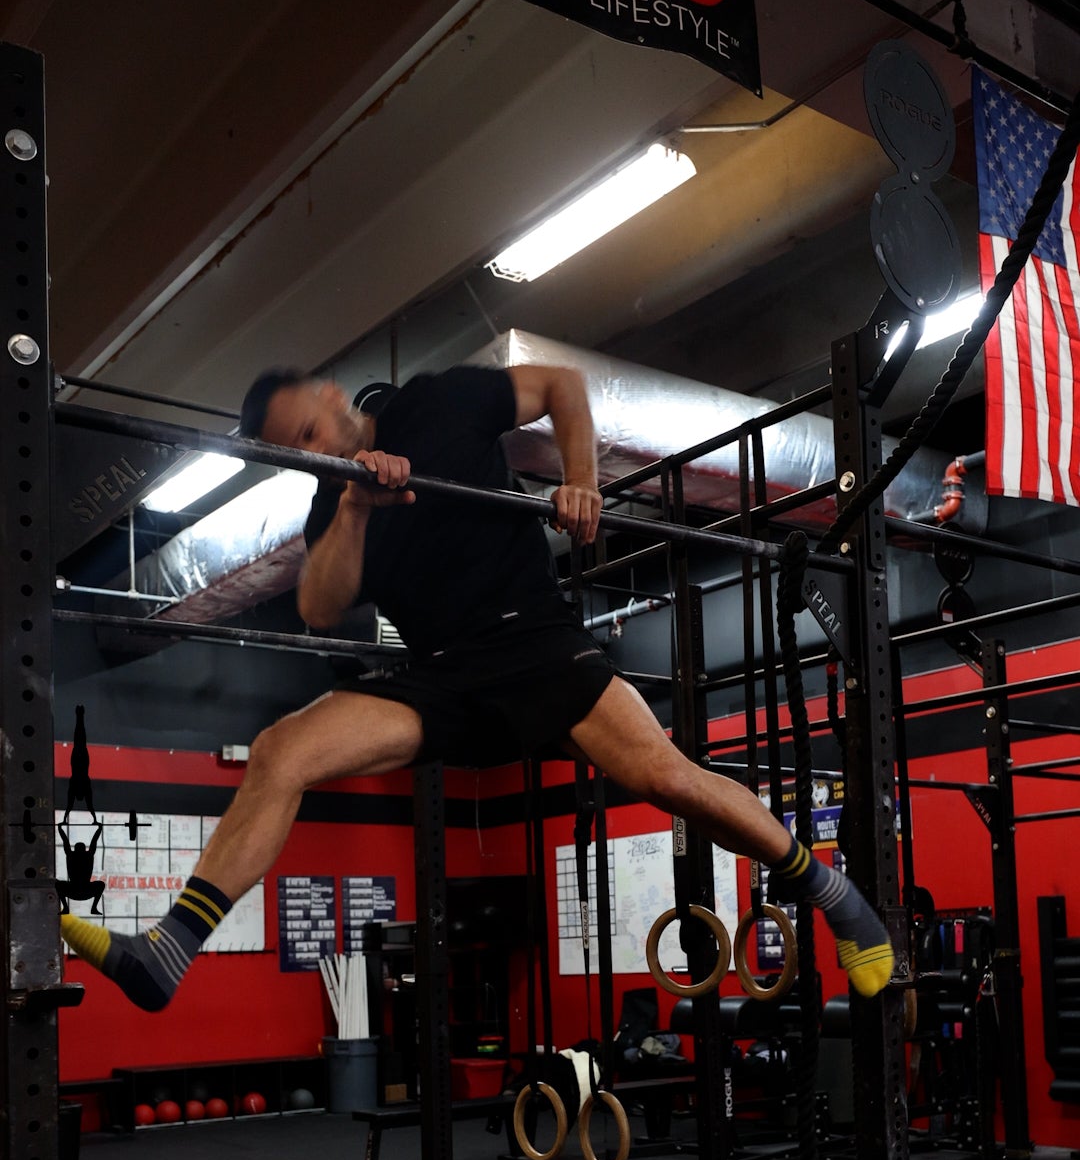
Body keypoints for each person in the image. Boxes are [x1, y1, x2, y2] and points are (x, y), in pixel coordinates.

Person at [62, 361, 893, 1009]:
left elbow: (560, 386)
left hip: (535, 644)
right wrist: (352, 502)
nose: (315, 450)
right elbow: (319, 609)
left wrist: (583, 478)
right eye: (300, 450)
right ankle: (166, 954)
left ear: (332, 394)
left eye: (314, 430)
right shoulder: (330, 506)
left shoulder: (442, 400)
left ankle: (834, 893)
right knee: (282, 749)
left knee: (667, 778)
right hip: (444, 676)